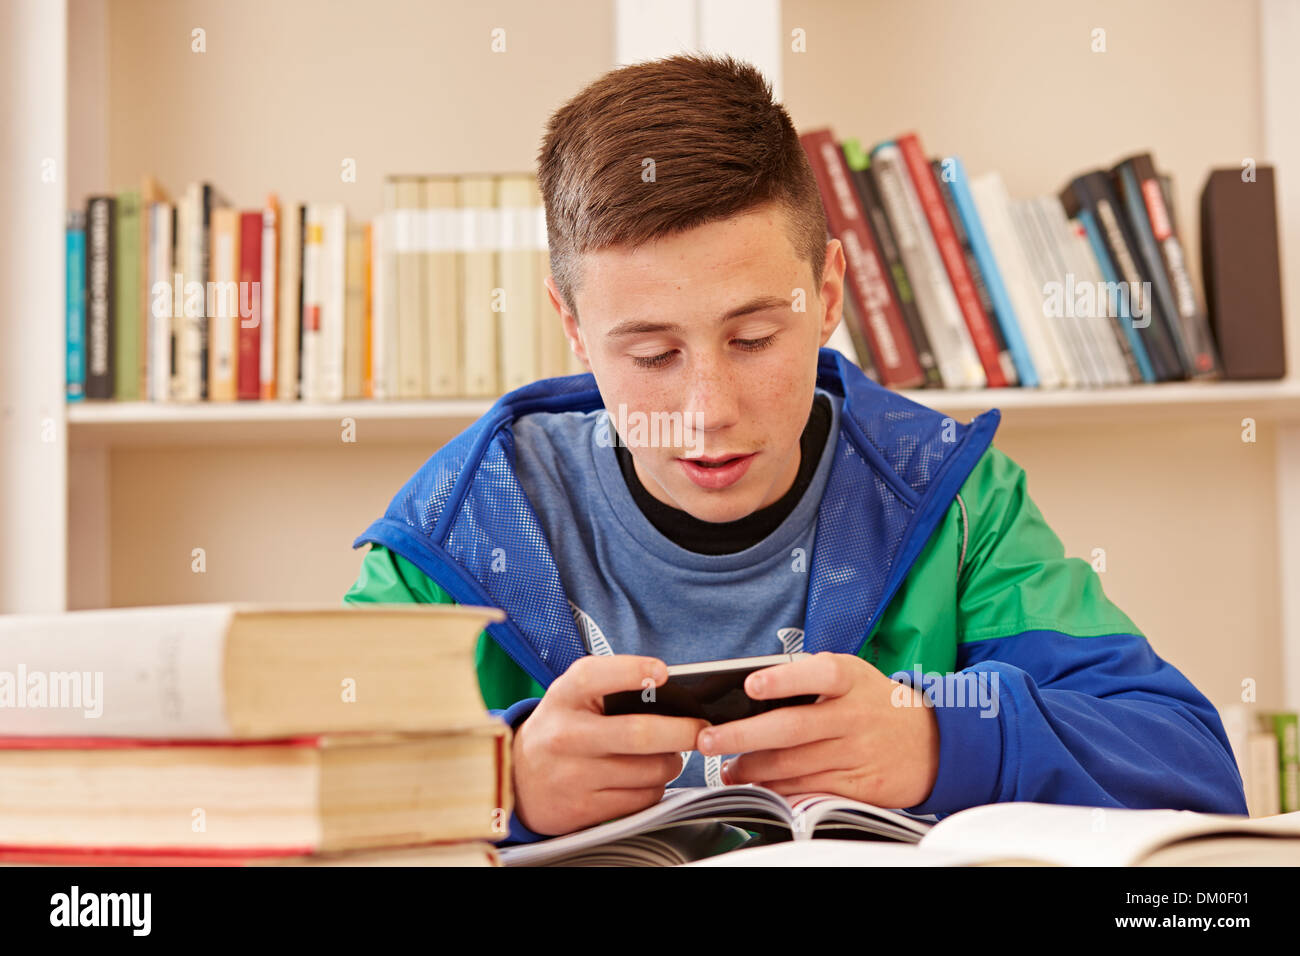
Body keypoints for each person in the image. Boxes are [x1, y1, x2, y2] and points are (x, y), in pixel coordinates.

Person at [344, 52, 1249, 844]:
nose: (708, 409)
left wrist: (940, 742)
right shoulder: (456, 527)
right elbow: (285, 794)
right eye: (652, 353)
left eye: (753, 339)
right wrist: (497, 782)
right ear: (573, 328)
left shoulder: (953, 496)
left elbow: (1191, 770)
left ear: (828, 292)